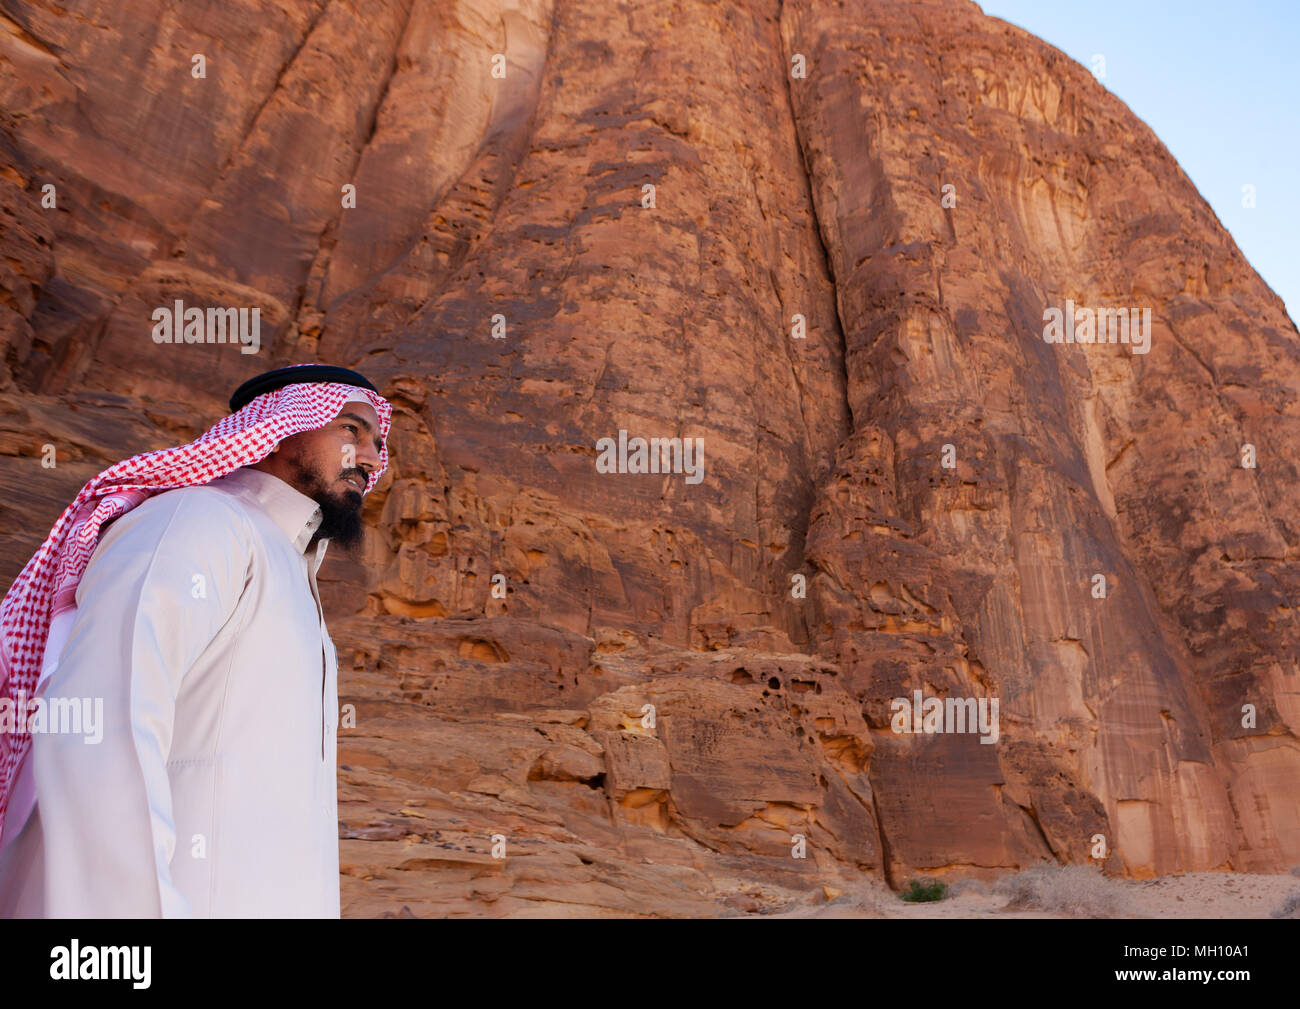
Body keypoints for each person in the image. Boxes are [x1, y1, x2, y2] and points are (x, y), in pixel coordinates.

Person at [0, 363, 392, 917]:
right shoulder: (197, 521)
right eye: (350, 429)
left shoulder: (290, 574)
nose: (372, 459)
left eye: (377, 440)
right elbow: (101, 729)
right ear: (282, 424)